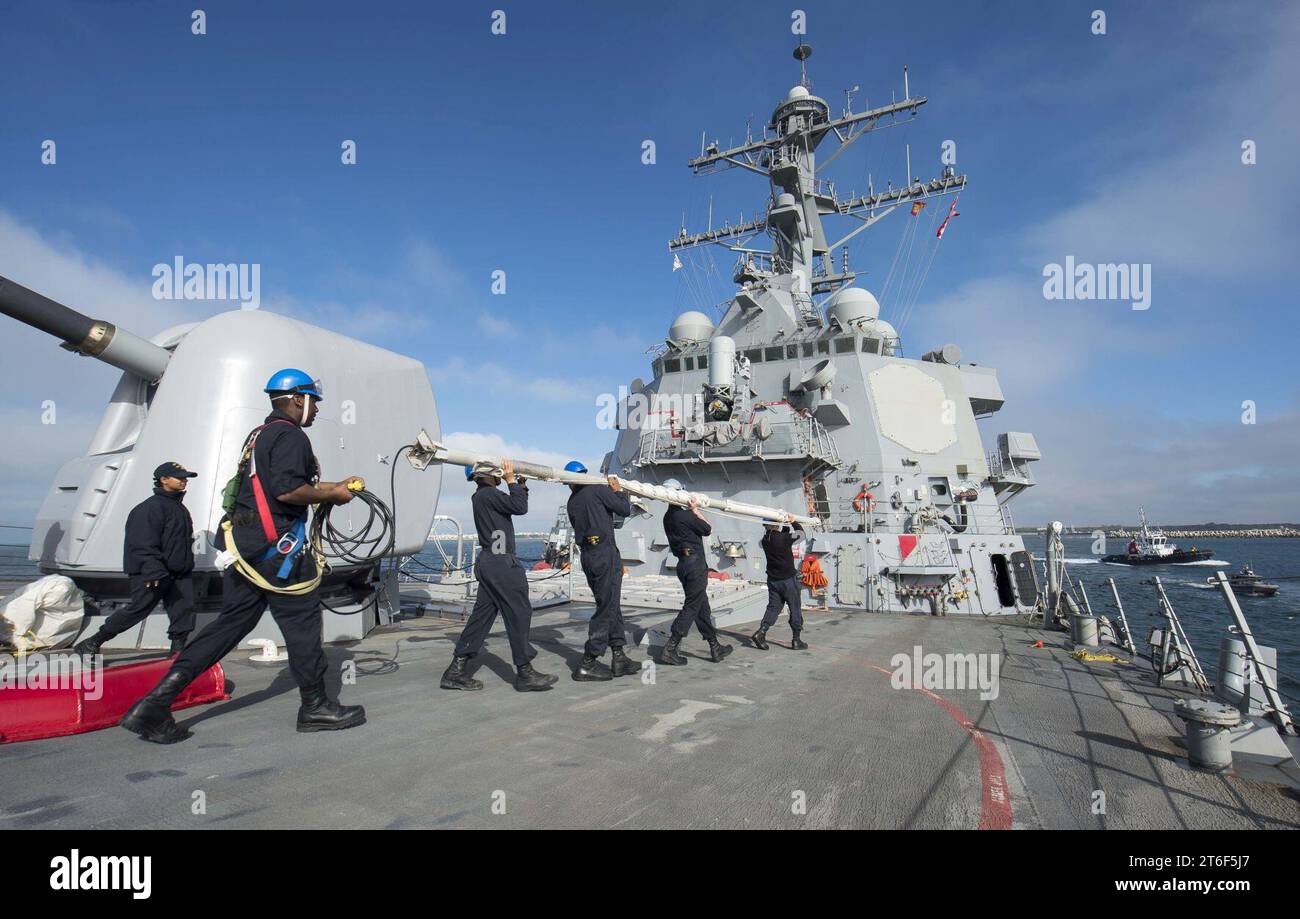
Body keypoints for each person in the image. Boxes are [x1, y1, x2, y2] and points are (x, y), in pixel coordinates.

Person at [120, 369, 366, 744]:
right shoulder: (291, 435)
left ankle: (155, 704)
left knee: (227, 627)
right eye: (314, 403)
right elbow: (287, 491)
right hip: (278, 556)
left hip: (246, 550)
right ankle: (315, 707)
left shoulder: (259, 436)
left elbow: (272, 488)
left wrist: (333, 487)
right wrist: (331, 496)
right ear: (298, 399)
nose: (316, 411)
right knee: (303, 627)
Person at [441, 459, 558, 692]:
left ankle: (455, 671)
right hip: (501, 562)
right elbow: (519, 507)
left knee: (482, 617)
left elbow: (514, 503)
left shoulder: (482, 497)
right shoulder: (489, 494)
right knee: (519, 612)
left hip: (490, 561)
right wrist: (512, 480)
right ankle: (525, 672)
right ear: (489, 475)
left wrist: (521, 486)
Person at [74, 462, 200, 656]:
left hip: (178, 572)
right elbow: (141, 543)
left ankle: (177, 653)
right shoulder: (149, 508)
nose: (184, 481)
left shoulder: (179, 509)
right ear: (164, 480)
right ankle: (92, 642)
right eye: (179, 477)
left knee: (183, 611)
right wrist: (152, 569)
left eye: (185, 477)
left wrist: (185, 565)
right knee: (138, 609)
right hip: (154, 572)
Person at [564, 460, 641, 681]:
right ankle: (589, 660)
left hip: (588, 556)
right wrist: (619, 492)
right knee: (607, 607)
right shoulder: (597, 490)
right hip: (605, 554)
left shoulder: (572, 502)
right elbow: (624, 510)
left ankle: (619, 657)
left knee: (610, 604)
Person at [659, 478, 732, 666]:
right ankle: (670, 647)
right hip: (695, 564)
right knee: (692, 606)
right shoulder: (685, 516)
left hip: (682, 564)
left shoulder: (667, 517)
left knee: (701, 606)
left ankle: (714, 646)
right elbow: (707, 529)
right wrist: (695, 510)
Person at [751, 512, 808, 651]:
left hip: (773, 580)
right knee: (794, 608)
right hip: (788, 580)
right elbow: (801, 535)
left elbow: (783, 536)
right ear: (777, 524)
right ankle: (796, 640)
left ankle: (761, 632)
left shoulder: (765, 540)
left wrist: (785, 526)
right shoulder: (783, 538)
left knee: (773, 608)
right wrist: (793, 521)